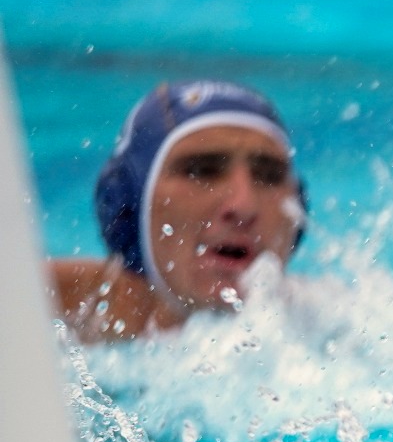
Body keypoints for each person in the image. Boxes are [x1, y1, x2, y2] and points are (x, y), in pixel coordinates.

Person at [48, 81, 307, 343]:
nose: (243, 207)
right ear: (128, 202)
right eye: (201, 171)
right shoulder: (26, 304)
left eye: (270, 176)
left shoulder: (330, 321)